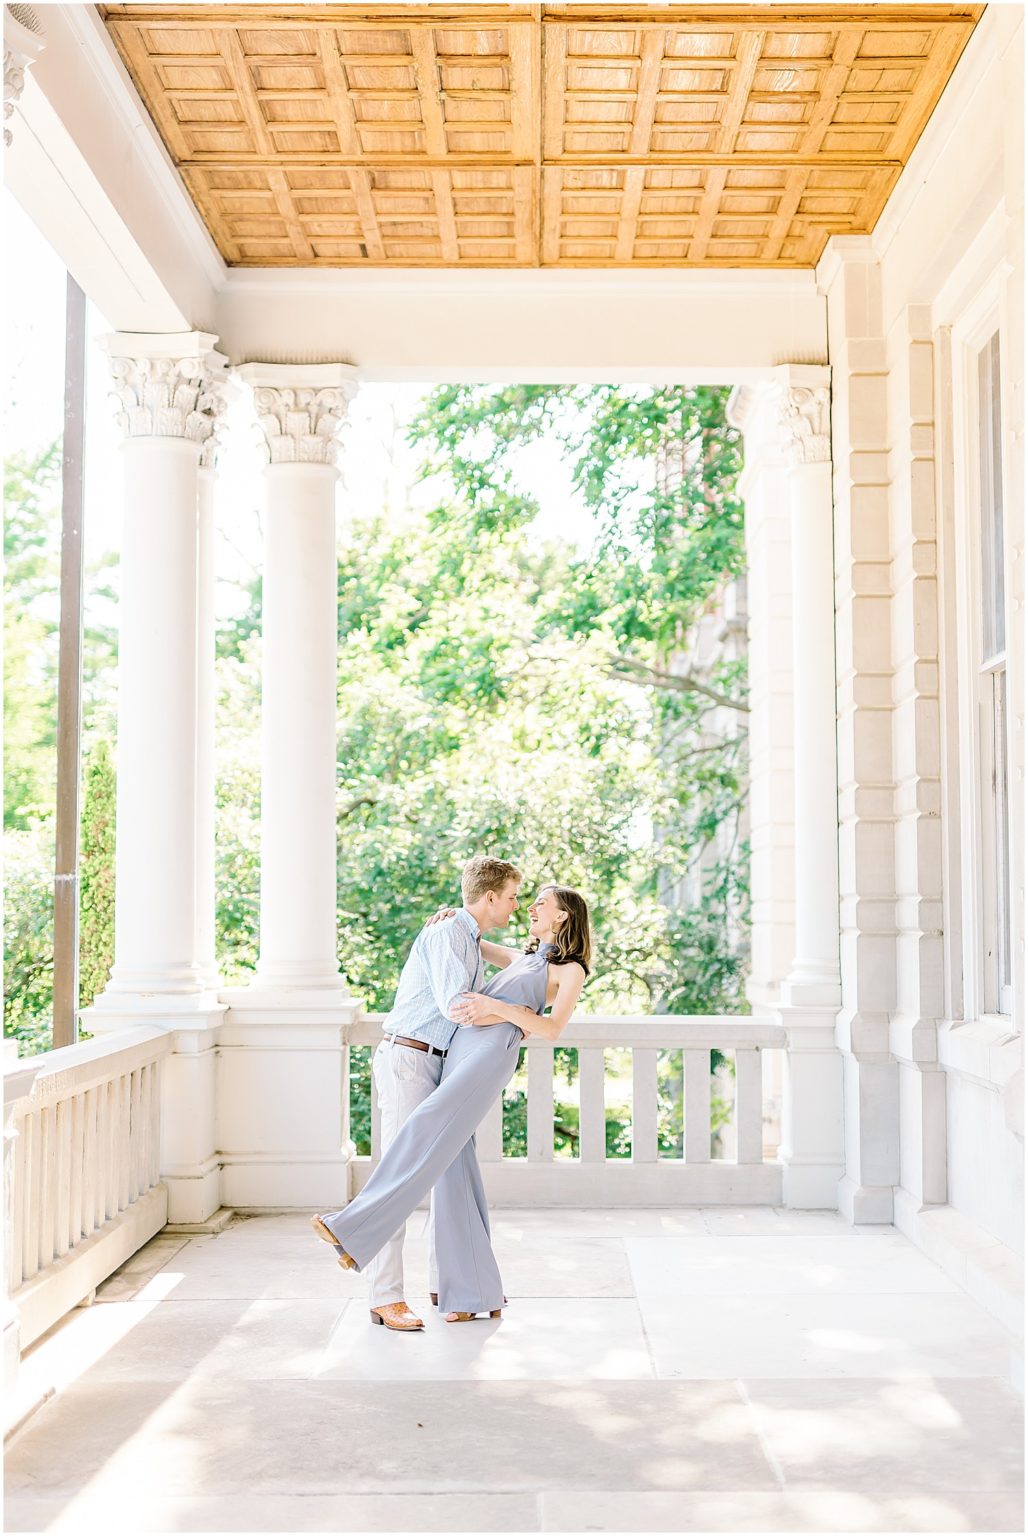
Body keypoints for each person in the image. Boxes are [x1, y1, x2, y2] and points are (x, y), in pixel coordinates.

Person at [312, 883, 590, 1323]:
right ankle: (471, 1291)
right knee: (454, 1166)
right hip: (461, 1049)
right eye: (527, 898)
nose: (532, 907)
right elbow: (473, 937)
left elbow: (552, 1028)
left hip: (486, 1054)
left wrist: (494, 1007)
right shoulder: (529, 958)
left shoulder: (572, 968)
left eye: (542, 903)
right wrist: (451, 917)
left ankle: (352, 1226)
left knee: (426, 1129)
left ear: (563, 916)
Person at [315, 855, 522, 1332]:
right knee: (404, 1171)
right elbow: (456, 1007)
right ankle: (383, 1295)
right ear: (490, 896)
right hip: (410, 1058)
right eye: (511, 896)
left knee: (444, 1174)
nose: (514, 906)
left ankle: (449, 1283)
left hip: (439, 1065)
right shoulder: (447, 933)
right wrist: (512, 1014)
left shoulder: (463, 934)